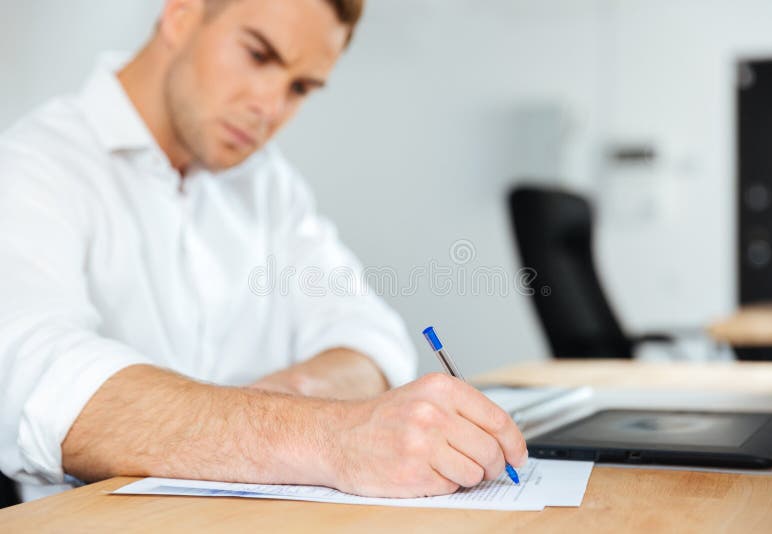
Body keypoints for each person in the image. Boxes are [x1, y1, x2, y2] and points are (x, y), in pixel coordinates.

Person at [0, 0, 527, 502]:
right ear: (181, 14)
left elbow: (370, 338)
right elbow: (36, 385)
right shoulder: (35, 167)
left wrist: (281, 398)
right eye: (258, 54)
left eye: (300, 87)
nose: (270, 109)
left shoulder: (266, 184)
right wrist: (323, 435)